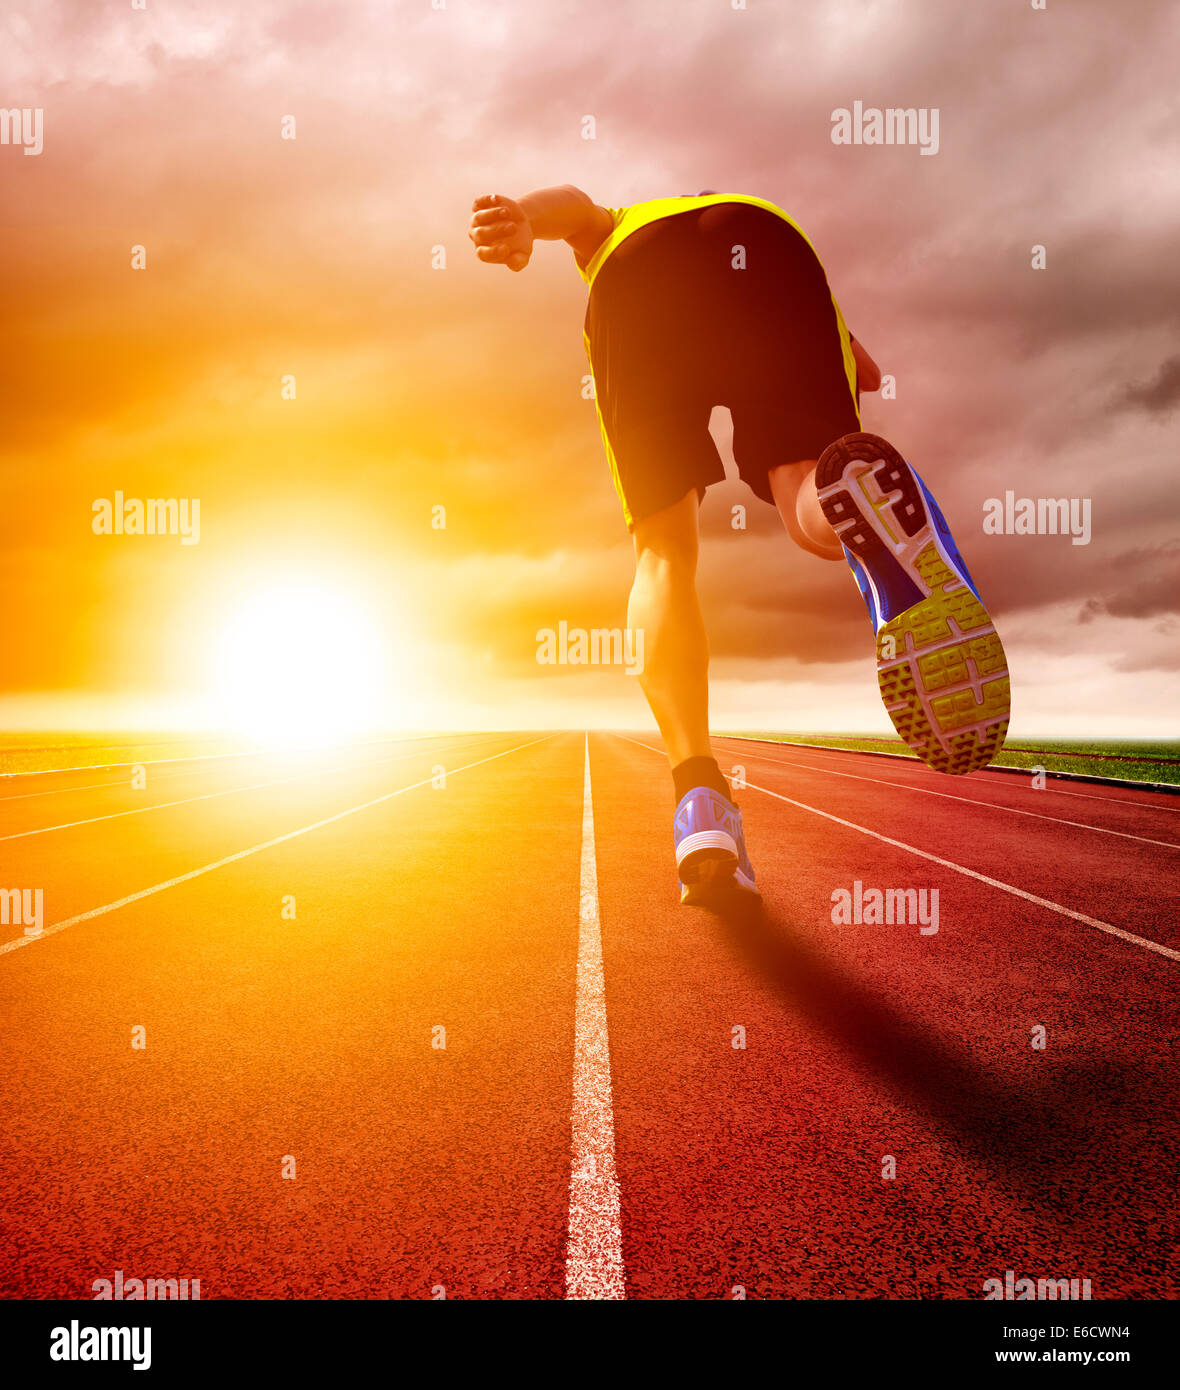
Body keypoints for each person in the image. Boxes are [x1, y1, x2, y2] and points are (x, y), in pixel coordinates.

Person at [468, 187, 1010, 904]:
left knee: (663, 554)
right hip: (771, 242)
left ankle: (700, 802)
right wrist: (837, 372)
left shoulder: (626, 225)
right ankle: (865, 519)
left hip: (636, 276)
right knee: (806, 491)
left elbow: (577, 209)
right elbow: (864, 367)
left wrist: (523, 223)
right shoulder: (741, 218)